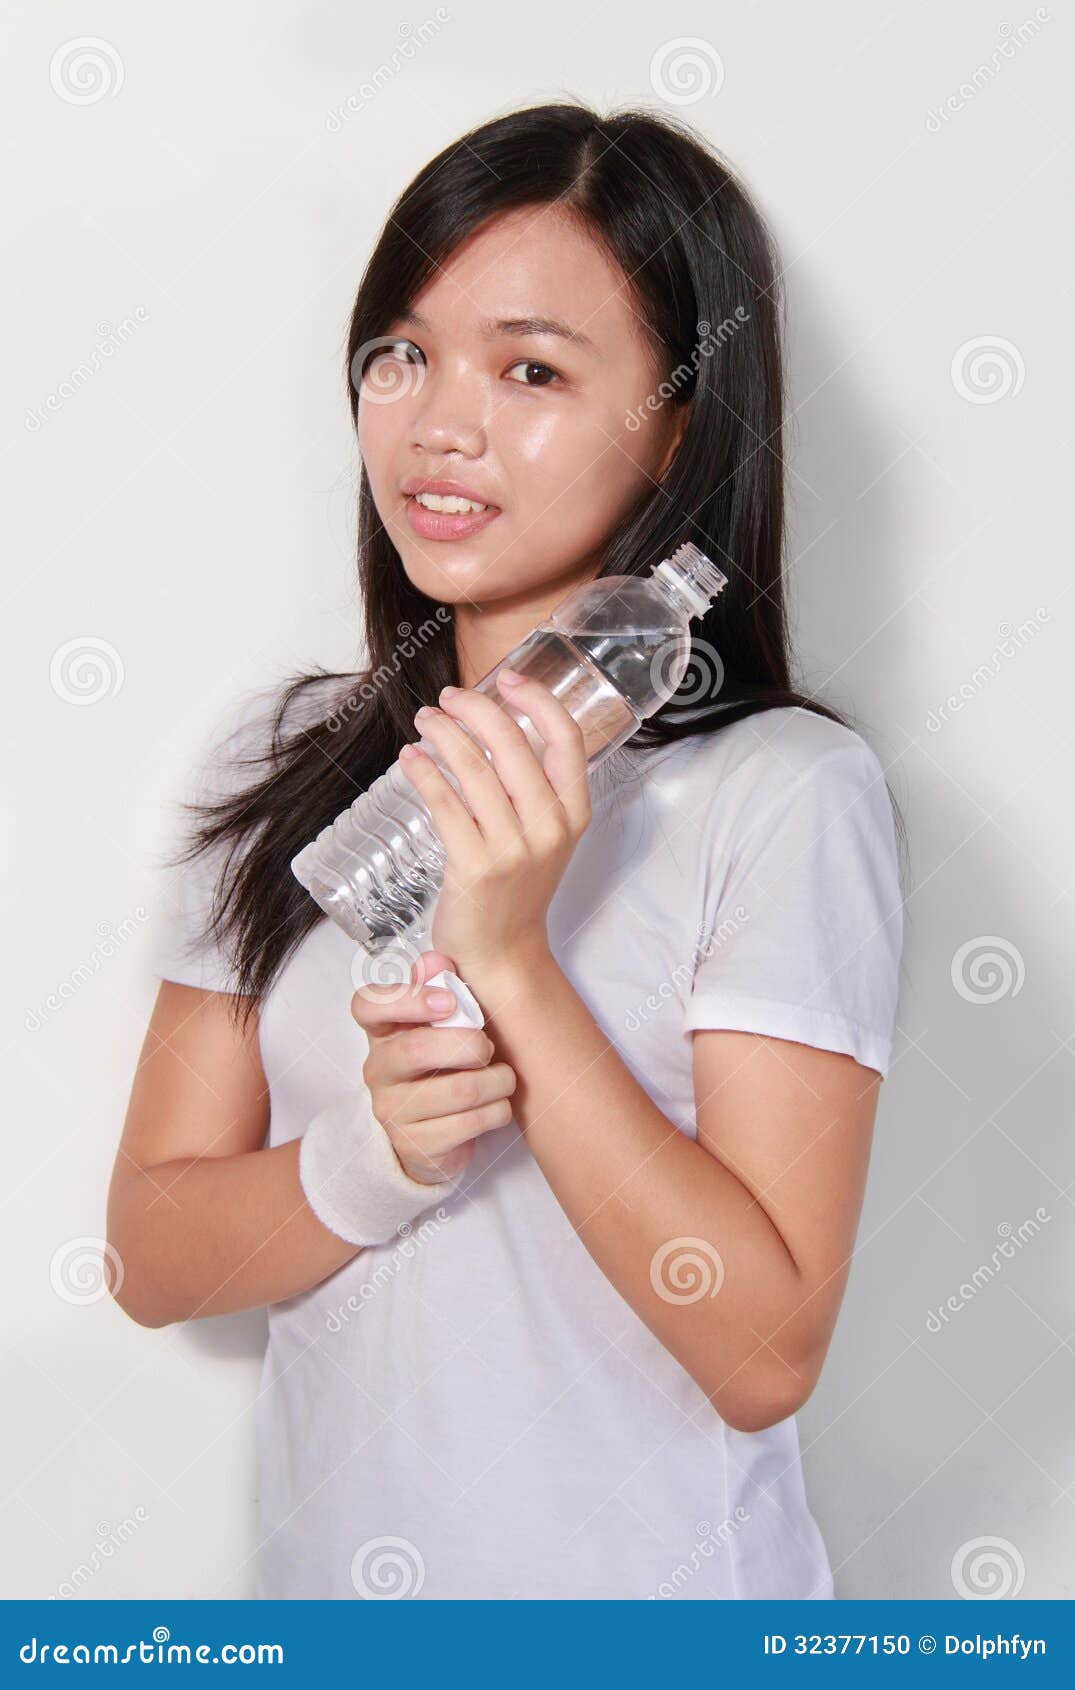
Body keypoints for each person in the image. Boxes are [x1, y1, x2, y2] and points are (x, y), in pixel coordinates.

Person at [107, 101, 906, 1601]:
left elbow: (763, 1347)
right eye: (399, 355)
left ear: (677, 416)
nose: (437, 424)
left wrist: (514, 963)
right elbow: (151, 1256)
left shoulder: (782, 793)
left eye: (530, 368)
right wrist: (369, 1159)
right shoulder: (283, 767)